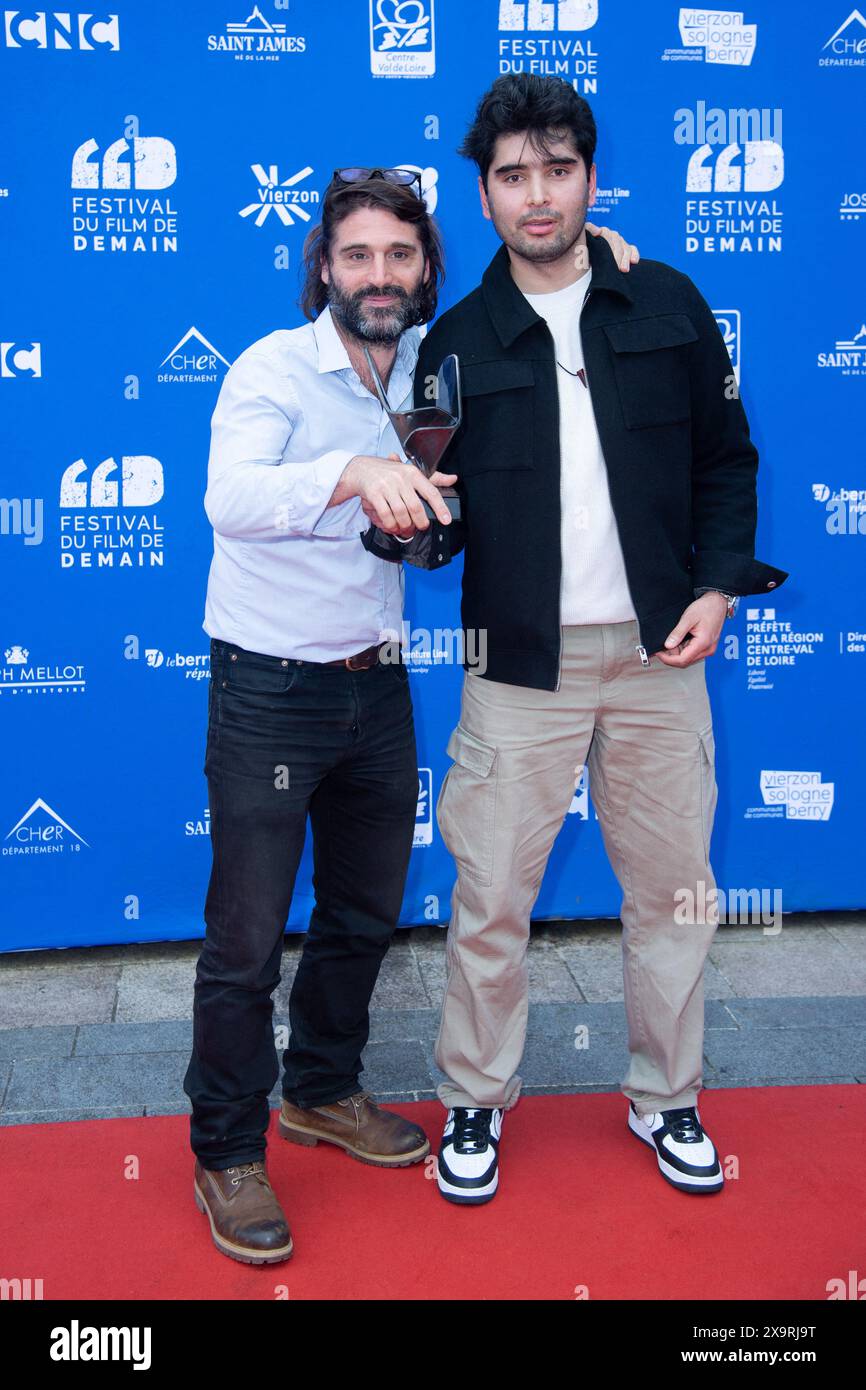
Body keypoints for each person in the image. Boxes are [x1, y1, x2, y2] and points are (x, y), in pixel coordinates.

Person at [183, 163, 637, 1261]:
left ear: (424, 267)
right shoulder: (270, 371)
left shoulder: (440, 364)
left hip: (375, 685)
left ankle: (321, 1093)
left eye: (398, 255)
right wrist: (346, 471)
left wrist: (602, 255)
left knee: (360, 916)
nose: (377, 275)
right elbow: (229, 498)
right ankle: (225, 1152)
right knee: (245, 942)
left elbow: (531, 284)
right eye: (356, 255)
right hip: (269, 689)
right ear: (323, 269)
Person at [413, 75, 789, 1206]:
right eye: (512, 175)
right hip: (517, 663)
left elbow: (726, 461)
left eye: (557, 170)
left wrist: (718, 589)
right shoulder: (457, 339)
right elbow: (438, 516)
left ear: (590, 178)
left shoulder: (663, 300)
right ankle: (474, 1098)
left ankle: (663, 1095)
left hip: (656, 654)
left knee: (673, 890)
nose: (537, 196)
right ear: (481, 195)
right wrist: (404, 524)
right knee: (489, 897)